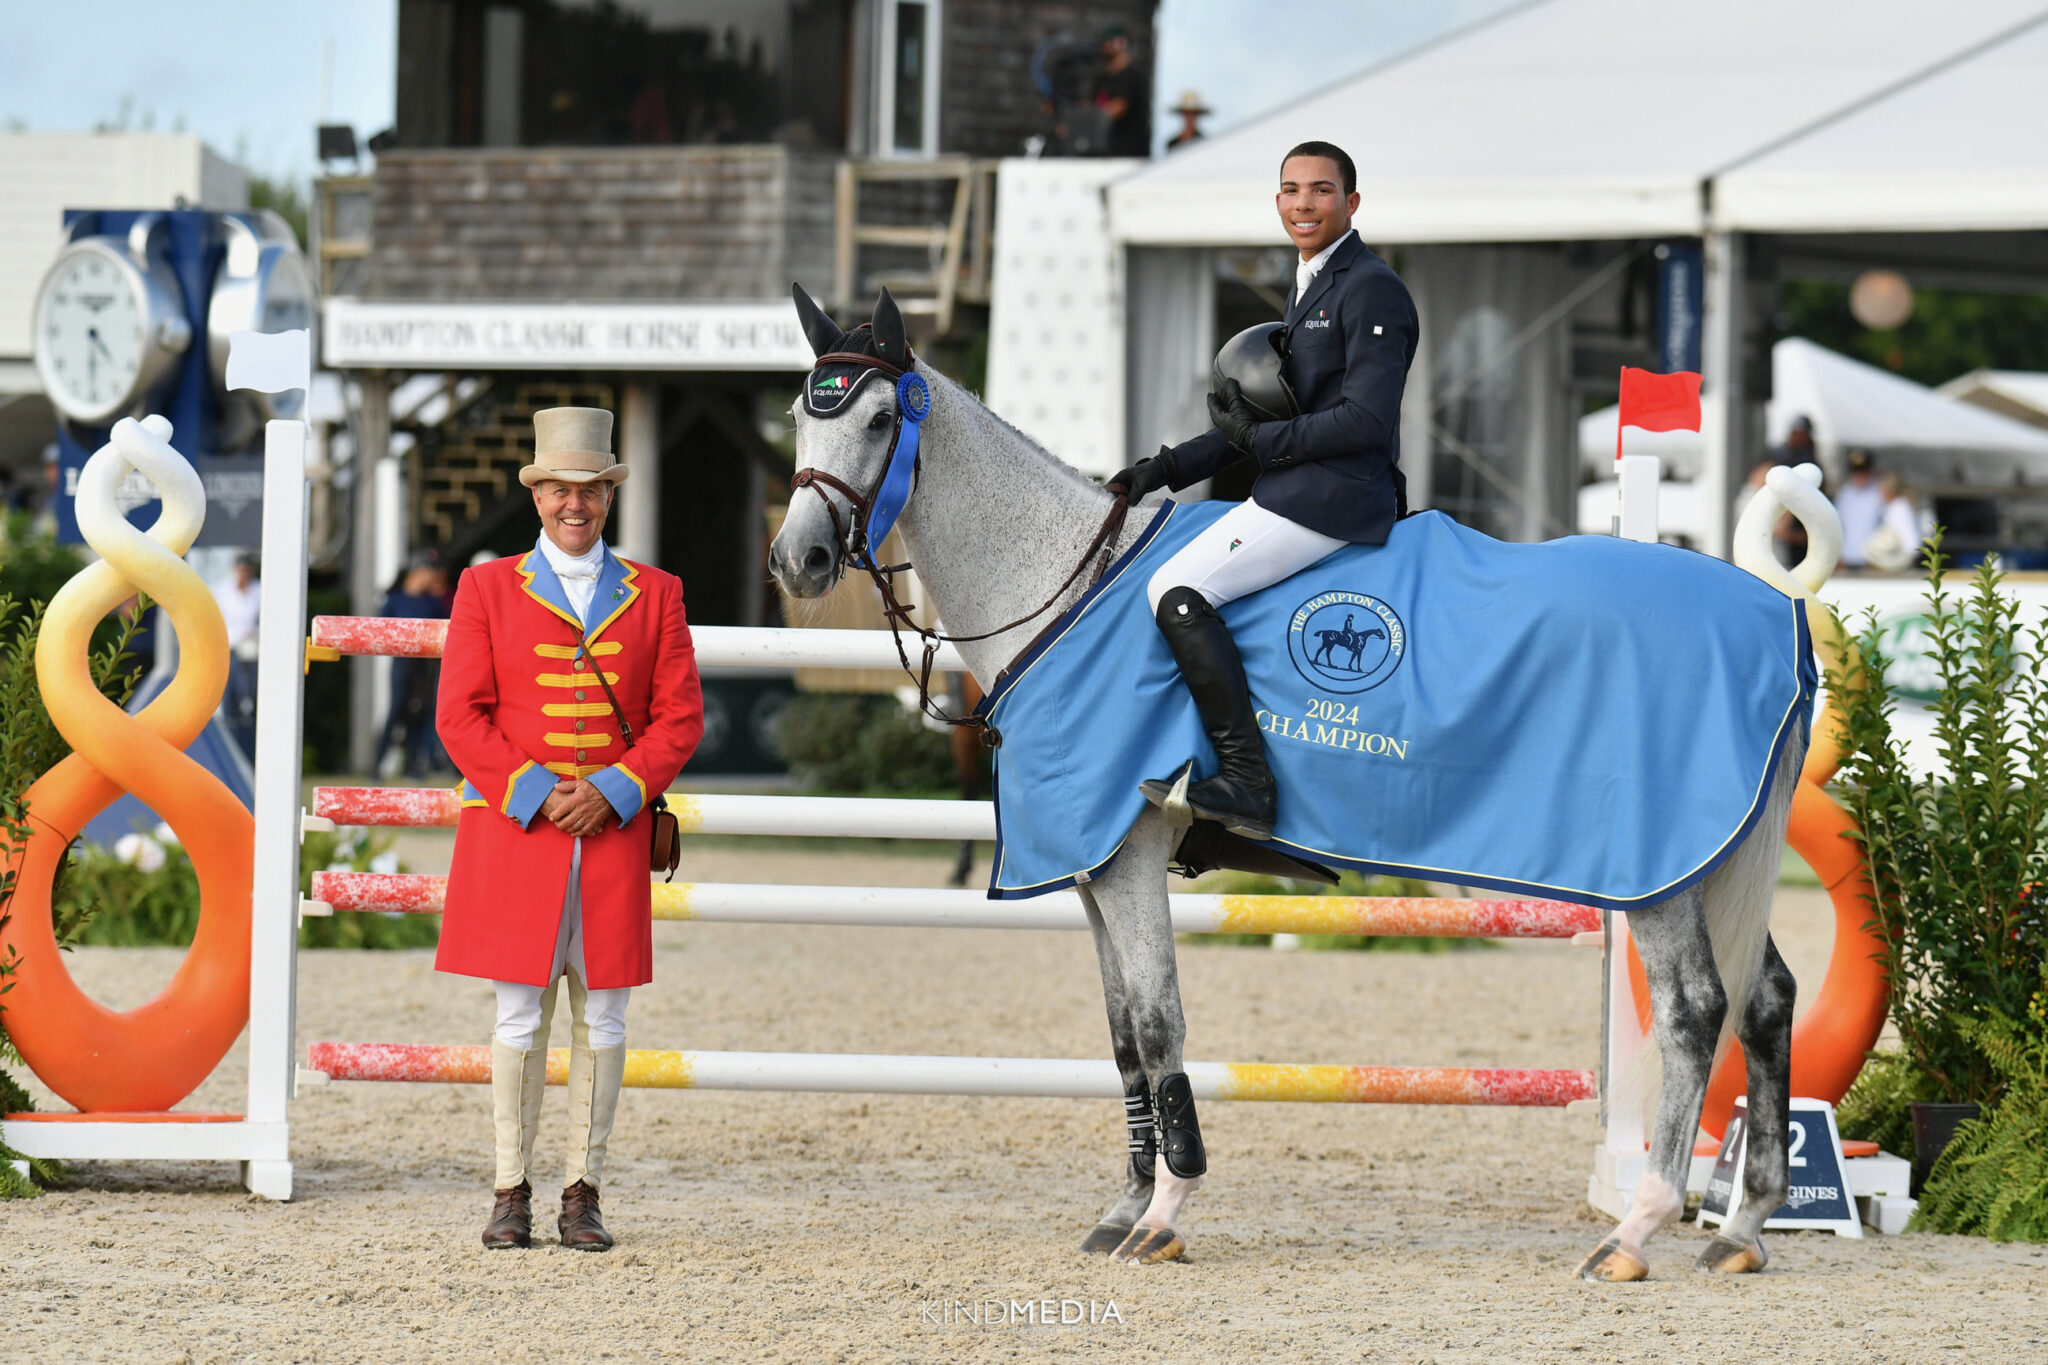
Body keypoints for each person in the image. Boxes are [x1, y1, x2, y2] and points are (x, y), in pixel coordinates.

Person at [435, 407, 703, 1252]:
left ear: (607, 495)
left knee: (608, 1020)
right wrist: (541, 791)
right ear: (537, 494)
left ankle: (581, 1191)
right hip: (522, 834)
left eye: (588, 489)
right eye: (558, 488)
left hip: (614, 835)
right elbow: (460, 716)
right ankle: (509, 1188)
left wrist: (619, 789)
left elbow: (680, 717)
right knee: (518, 1018)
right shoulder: (484, 588)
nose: (573, 504)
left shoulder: (657, 592)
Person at [1109, 140, 1418, 839]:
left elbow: (1366, 420)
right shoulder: (1309, 283)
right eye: (1290, 190)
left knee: (1175, 590)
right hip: (1297, 483)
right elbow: (1259, 420)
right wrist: (1160, 470)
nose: (1303, 203)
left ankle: (1248, 779)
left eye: (1320, 190)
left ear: (1352, 203)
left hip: (1334, 495)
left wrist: (1264, 446)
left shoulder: (1371, 287)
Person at [373, 553, 453, 779]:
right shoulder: (395, 599)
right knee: (395, 713)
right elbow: (379, 629)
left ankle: (415, 767)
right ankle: (376, 766)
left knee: (423, 715)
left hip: (426, 669)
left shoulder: (432, 602)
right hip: (401, 666)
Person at [213, 554, 262, 758]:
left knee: (251, 695)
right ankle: (231, 746)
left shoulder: (259, 591)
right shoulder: (222, 591)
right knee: (229, 698)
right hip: (230, 651)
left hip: (252, 652)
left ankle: (249, 744)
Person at [1092, 24, 1149, 157]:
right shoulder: (1102, 78)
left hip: (1129, 152)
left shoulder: (1133, 75)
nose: (1104, 49)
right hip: (1104, 151)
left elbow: (1119, 108)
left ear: (1121, 43)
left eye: (1108, 44)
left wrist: (1093, 118)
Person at [1862, 471, 1929, 572]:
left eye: (1880, 489)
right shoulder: (1892, 507)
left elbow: (1912, 543)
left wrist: (1899, 560)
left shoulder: (1899, 508)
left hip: (1903, 564)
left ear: (1888, 490)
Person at [1833, 448, 1886, 571]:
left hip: (1874, 563)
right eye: (1856, 472)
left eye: (1863, 472)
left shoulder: (1879, 492)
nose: (1859, 476)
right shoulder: (1844, 494)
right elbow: (1837, 526)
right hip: (1846, 561)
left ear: (1870, 471)